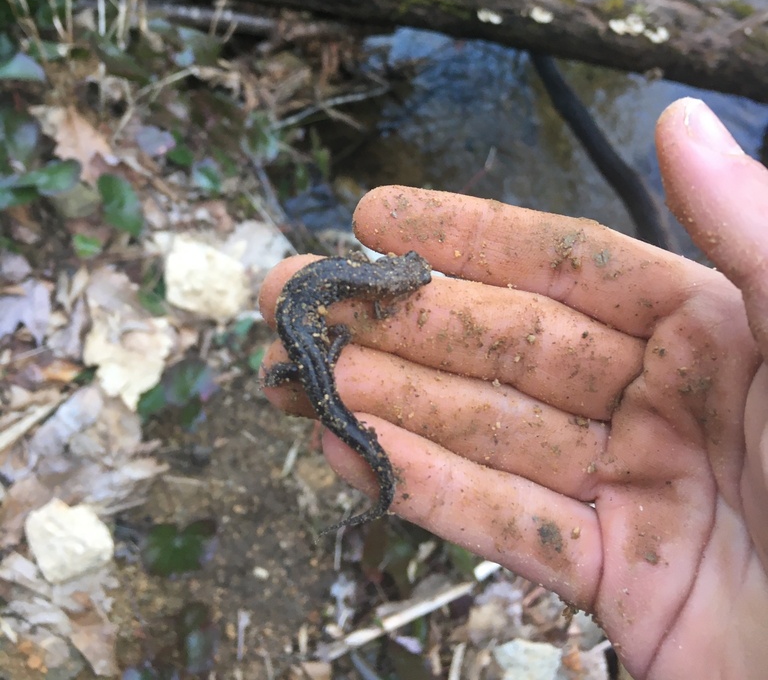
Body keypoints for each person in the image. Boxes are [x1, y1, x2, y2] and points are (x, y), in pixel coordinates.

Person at [259, 97, 768, 680]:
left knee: (320, 382)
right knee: (322, 380)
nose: (411, 286)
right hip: (311, 335)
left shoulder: (365, 286)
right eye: (409, 282)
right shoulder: (370, 292)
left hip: (311, 340)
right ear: (391, 289)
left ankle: (300, 389)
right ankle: (307, 396)